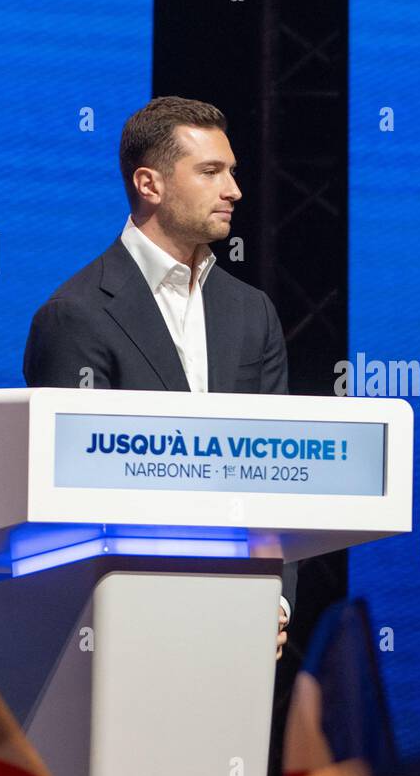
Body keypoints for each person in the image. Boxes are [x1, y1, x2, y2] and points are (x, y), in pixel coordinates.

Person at [22, 96, 294, 657]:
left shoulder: (252, 310)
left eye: (233, 172)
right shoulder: (77, 314)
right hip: (122, 627)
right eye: (211, 172)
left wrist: (274, 599)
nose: (234, 190)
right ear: (150, 184)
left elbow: (279, 477)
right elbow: (68, 495)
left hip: (245, 615)